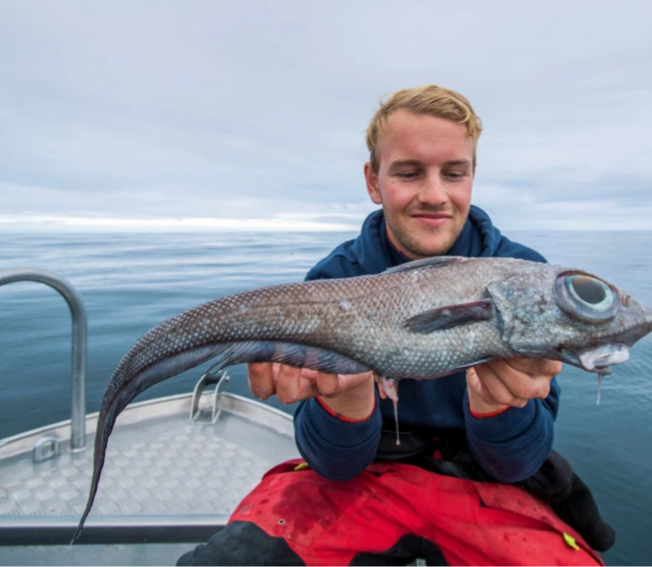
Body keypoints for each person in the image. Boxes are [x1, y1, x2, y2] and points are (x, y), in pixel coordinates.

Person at [178, 85, 614, 566]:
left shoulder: (526, 277)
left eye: (454, 173)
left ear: (472, 177)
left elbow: (517, 463)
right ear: (373, 180)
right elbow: (334, 465)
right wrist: (346, 402)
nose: (435, 195)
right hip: (366, 477)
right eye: (408, 173)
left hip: (488, 487)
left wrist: (500, 408)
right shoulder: (333, 280)